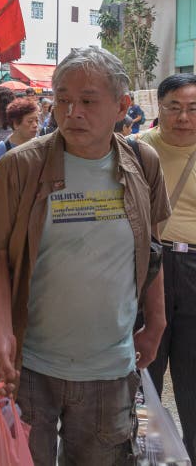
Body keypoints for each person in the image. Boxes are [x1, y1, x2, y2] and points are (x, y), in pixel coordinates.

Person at [0, 46, 170, 465]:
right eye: (62, 100)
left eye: (87, 101)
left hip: (110, 366)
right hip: (31, 364)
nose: (72, 112)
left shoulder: (142, 163)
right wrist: (3, 331)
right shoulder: (20, 166)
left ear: (122, 105)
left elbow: (152, 250)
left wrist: (157, 322)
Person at [135, 73, 196, 462]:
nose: (184, 117)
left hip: (194, 266)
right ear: (160, 106)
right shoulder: (137, 150)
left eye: (193, 109)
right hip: (147, 266)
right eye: (174, 107)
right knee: (143, 372)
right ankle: (145, 454)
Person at [0, 98, 39, 176]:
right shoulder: (1, 149)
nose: (35, 125)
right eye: (30, 121)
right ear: (16, 124)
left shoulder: (40, 144)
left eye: (37, 121)